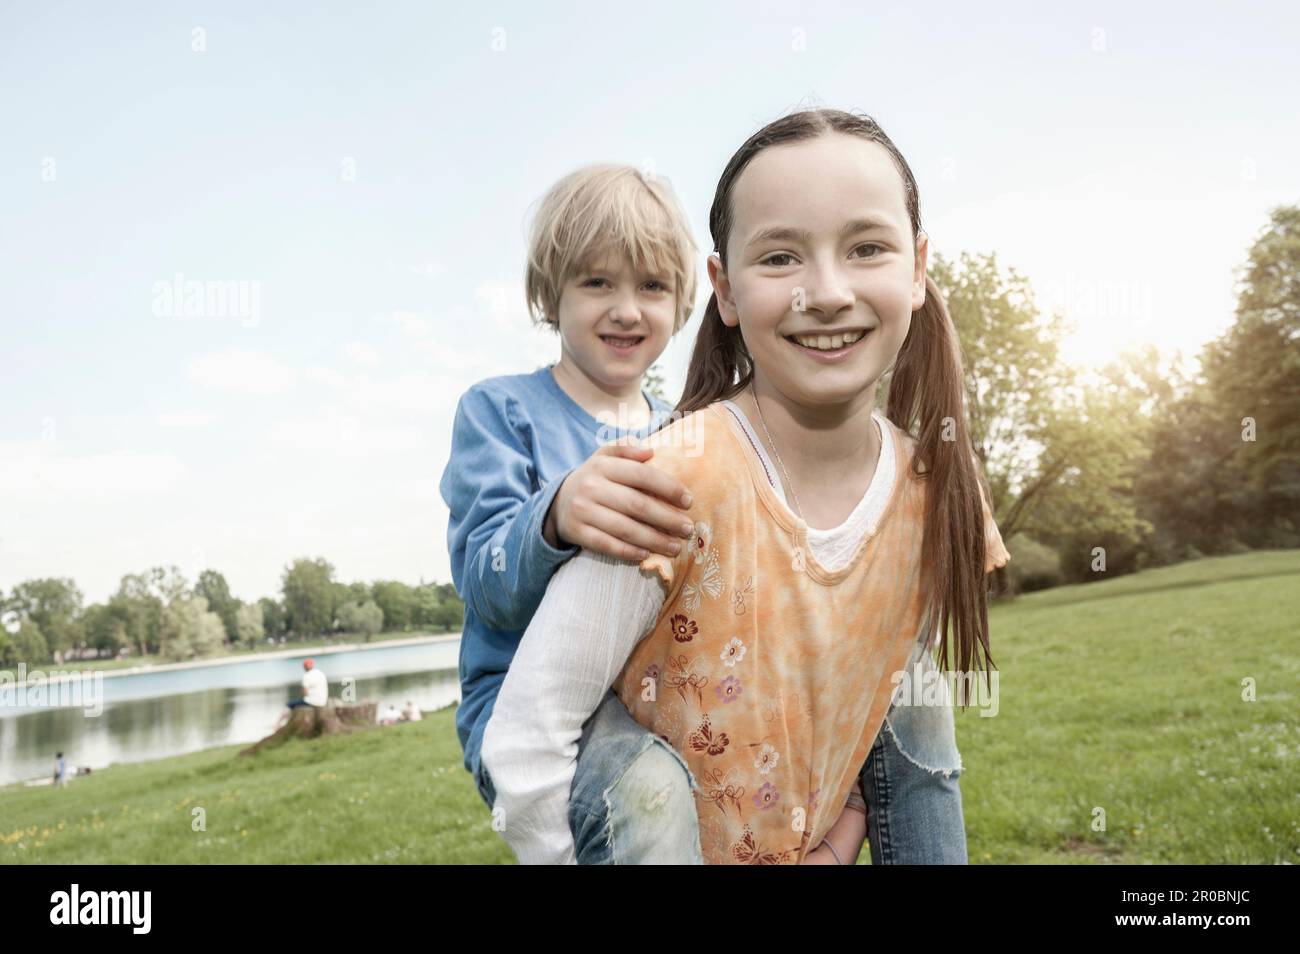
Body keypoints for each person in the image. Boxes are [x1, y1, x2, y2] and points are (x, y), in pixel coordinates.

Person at [480, 108, 1011, 865]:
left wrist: (837, 835)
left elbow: (877, 696)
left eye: (867, 247)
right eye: (780, 258)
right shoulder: (671, 483)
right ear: (725, 291)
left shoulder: (934, 489)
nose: (826, 292)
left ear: (918, 268)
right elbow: (528, 736)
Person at [439, 163, 704, 863]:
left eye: (652, 285)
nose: (626, 308)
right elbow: (483, 584)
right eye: (597, 282)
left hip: (657, 690)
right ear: (551, 294)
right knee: (647, 796)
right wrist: (554, 515)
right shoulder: (500, 412)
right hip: (531, 706)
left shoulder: (688, 431)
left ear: (681, 303)